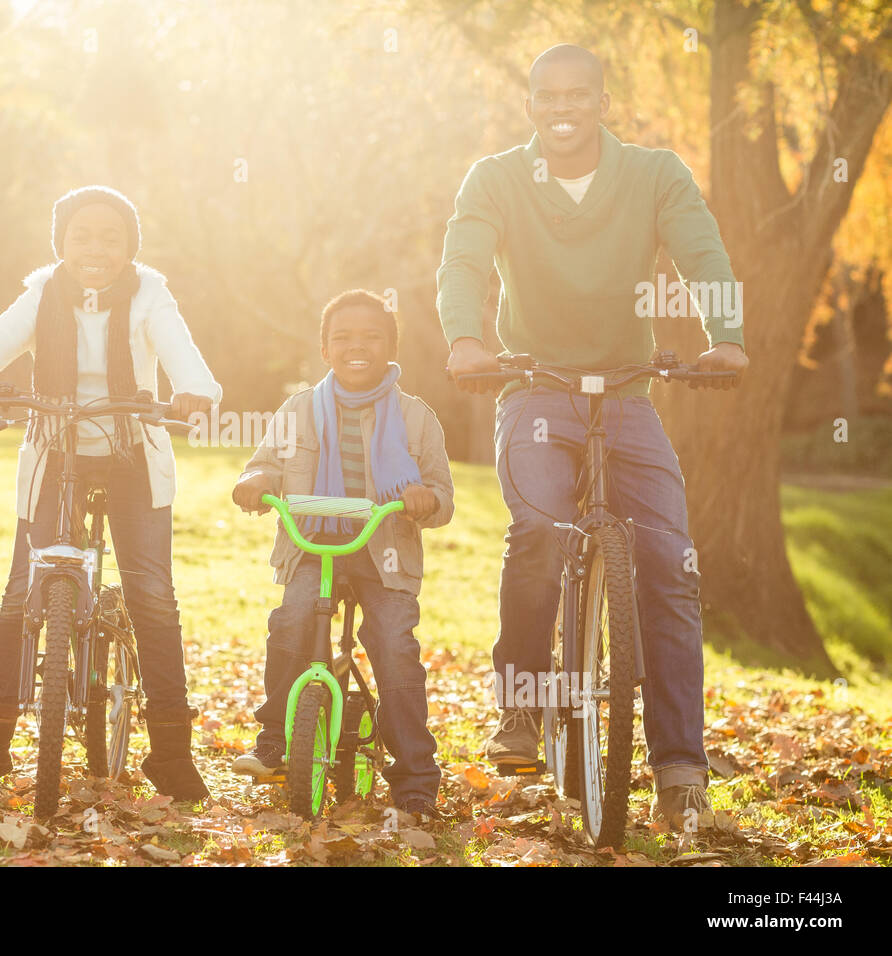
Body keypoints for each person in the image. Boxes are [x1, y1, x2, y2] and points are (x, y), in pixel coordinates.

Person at [437, 43, 749, 827]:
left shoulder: (653, 175)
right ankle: (523, 708)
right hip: (536, 389)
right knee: (540, 531)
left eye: (579, 95)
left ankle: (680, 764)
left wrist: (727, 332)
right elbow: (466, 259)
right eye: (548, 96)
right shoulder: (499, 178)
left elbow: (699, 250)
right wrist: (465, 339)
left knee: (670, 565)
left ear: (604, 102)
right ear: (533, 104)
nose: (562, 108)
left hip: (627, 392)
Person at [0, 185, 221, 802]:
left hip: (131, 456)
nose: (96, 248)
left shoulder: (150, 295)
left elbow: (180, 350)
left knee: (153, 597)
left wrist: (195, 389)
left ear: (130, 248)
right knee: (18, 592)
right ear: (60, 243)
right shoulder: (42, 295)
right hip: (54, 451)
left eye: (112, 237)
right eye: (82, 235)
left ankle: (171, 754)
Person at [232, 290, 455, 819]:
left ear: (392, 347)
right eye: (343, 338)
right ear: (326, 349)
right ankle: (274, 741)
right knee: (292, 620)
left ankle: (416, 776)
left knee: (394, 644)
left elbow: (443, 499)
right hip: (314, 546)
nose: (358, 346)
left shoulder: (416, 417)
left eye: (372, 336)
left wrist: (425, 500)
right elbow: (263, 464)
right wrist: (255, 481)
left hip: (383, 554)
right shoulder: (298, 410)